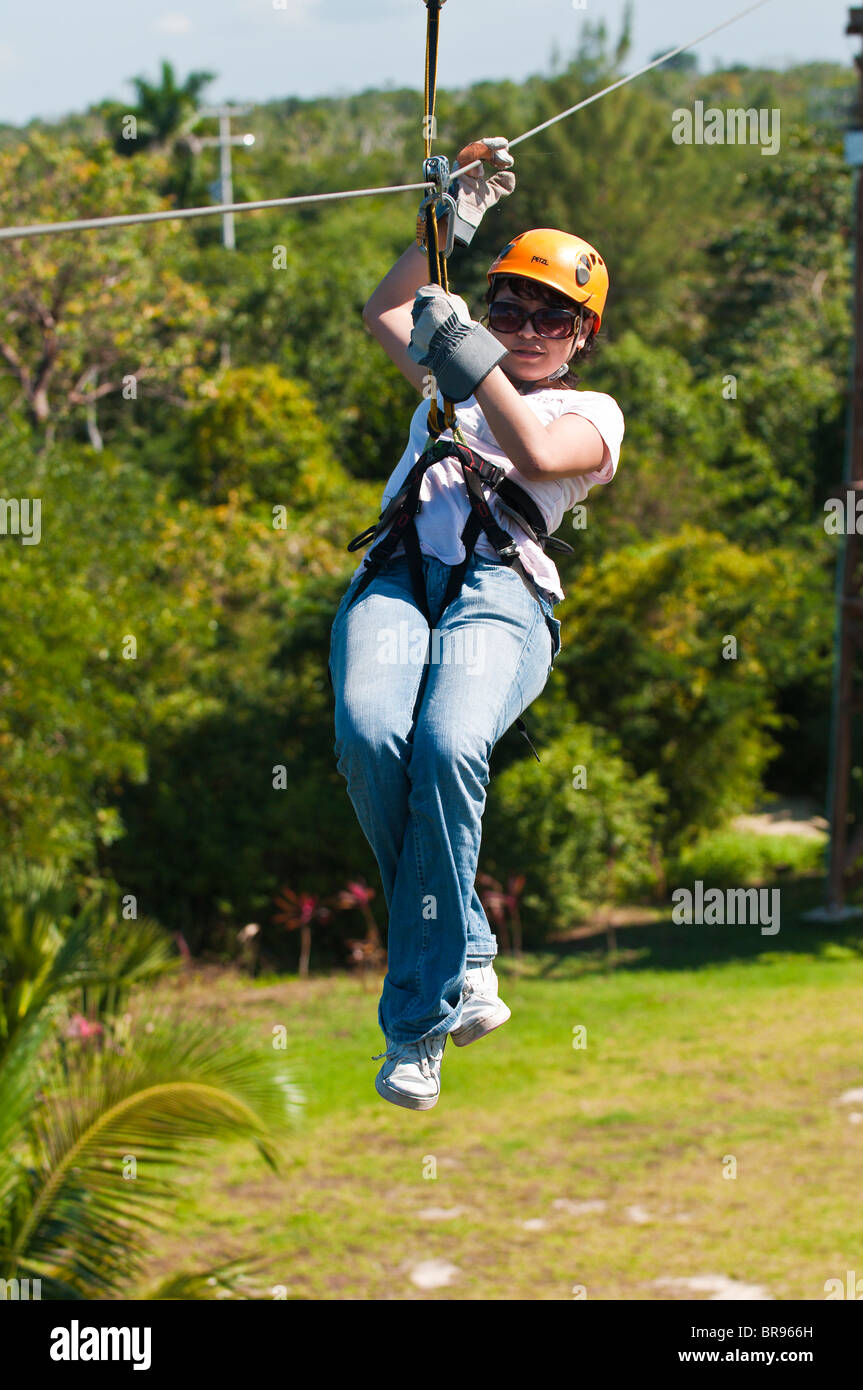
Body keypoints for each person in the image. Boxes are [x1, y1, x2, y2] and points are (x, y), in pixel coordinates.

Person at [327, 137, 624, 1110]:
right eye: (508, 306)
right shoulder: (442, 380)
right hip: (399, 580)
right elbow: (384, 308)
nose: (526, 327)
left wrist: (466, 350)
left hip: (500, 593)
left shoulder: (592, 412)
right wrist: (444, 225)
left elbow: (537, 450)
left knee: (450, 742)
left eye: (552, 317)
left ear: (581, 335)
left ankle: (418, 1022)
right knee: (375, 736)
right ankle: (471, 944)